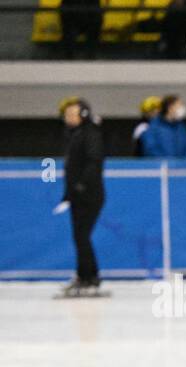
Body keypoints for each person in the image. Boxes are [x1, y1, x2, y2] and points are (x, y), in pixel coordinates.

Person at [57, 96, 106, 297]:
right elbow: (70, 168)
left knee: (82, 236)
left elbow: (94, 162)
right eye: (66, 114)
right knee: (80, 237)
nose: (68, 117)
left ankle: (89, 277)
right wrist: (67, 195)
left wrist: (81, 186)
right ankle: (86, 275)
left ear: (83, 115)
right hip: (77, 197)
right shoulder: (74, 135)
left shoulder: (90, 134)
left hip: (90, 196)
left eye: (72, 114)